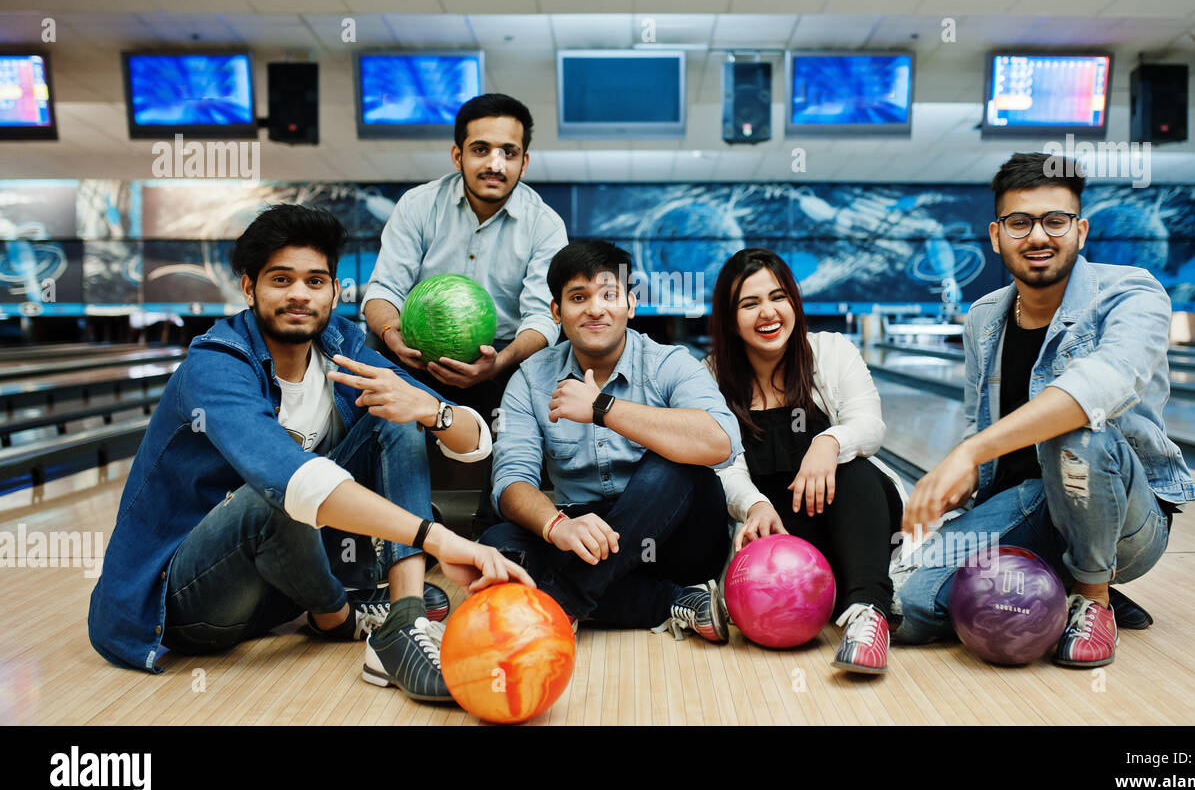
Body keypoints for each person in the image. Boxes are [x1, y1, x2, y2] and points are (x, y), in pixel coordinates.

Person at [89, 205, 532, 704]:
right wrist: (441, 540)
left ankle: (402, 624)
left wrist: (435, 410)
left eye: (315, 281)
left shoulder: (343, 344)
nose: (300, 293)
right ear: (248, 287)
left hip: (279, 586)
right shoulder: (216, 364)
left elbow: (475, 443)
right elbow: (292, 481)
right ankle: (338, 616)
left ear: (335, 291)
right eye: (282, 279)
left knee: (395, 411)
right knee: (271, 495)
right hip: (189, 599)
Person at [895, 153, 1195, 667]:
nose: (1039, 236)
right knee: (916, 606)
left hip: (1124, 520)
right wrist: (968, 474)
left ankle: (1095, 598)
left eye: (1055, 221)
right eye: (1020, 222)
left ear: (1081, 230)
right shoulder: (983, 318)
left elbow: (1102, 383)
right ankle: (1057, 580)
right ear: (997, 234)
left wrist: (969, 452)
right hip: (1023, 503)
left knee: (1078, 433)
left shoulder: (1132, 293)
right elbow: (976, 422)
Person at [481, 240, 742, 642]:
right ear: (556, 312)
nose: (595, 309)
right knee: (497, 547)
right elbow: (510, 483)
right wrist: (557, 525)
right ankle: (675, 601)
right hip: (583, 535)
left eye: (609, 294)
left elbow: (720, 440)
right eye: (578, 297)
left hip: (673, 539)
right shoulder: (531, 378)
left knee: (672, 464)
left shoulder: (668, 362)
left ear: (631, 304)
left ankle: (562, 600)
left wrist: (603, 408)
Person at [361, 92, 569, 534]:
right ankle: (395, 519)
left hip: (500, 355)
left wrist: (500, 362)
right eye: (481, 149)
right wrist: (393, 334)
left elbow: (543, 318)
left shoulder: (544, 223)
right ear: (458, 154)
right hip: (412, 347)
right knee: (367, 353)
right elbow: (384, 290)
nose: (495, 163)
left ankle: (497, 521)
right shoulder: (418, 205)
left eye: (508, 152)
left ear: (524, 162)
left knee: (541, 370)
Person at [706, 248, 907, 673]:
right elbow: (723, 465)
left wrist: (829, 442)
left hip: (852, 515)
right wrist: (754, 505)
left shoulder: (831, 351)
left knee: (853, 468)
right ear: (729, 317)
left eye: (778, 297)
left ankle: (869, 613)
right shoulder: (712, 377)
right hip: (780, 535)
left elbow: (869, 425)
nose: (768, 313)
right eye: (749, 303)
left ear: (794, 302)